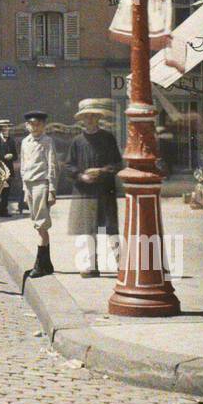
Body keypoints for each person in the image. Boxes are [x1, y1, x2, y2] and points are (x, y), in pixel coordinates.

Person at [66, 99, 122, 277]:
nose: (89, 119)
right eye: (86, 117)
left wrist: (102, 171)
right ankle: (90, 265)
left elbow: (117, 163)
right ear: (81, 119)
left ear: (98, 117)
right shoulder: (77, 141)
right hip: (85, 191)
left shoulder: (108, 138)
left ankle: (122, 264)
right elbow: (69, 165)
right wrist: (81, 175)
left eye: (93, 116)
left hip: (105, 190)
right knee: (87, 229)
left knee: (110, 227)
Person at [19, 110, 59, 277]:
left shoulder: (47, 142)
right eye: (31, 124)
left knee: (41, 225)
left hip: (41, 184)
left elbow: (53, 166)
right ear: (27, 126)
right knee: (36, 223)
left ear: (43, 125)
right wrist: (23, 188)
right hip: (29, 185)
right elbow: (23, 165)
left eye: (38, 124)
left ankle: (40, 265)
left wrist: (52, 190)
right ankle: (46, 264)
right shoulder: (25, 142)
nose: (34, 127)